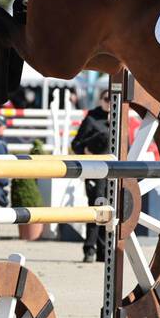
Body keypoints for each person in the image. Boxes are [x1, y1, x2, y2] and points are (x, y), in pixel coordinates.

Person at [70, 90, 113, 262]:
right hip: (95, 171)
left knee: (109, 211)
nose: (109, 102)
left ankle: (104, 250)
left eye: (112, 99)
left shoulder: (120, 120)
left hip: (113, 172)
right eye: (106, 99)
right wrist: (86, 151)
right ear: (101, 100)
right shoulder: (91, 119)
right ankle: (89, 248)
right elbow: (76, 145)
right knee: (96, 208)